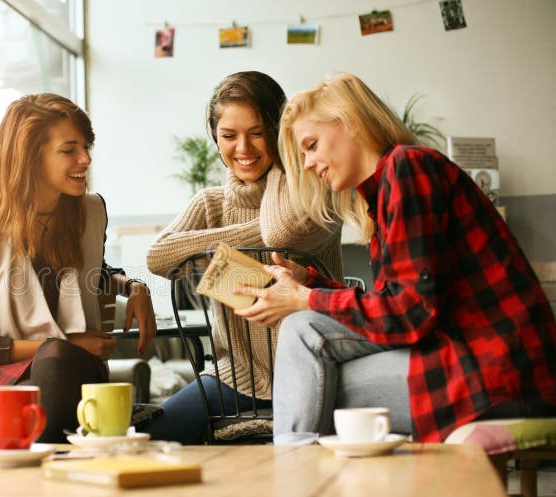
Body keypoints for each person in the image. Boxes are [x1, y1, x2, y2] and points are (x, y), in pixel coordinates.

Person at [235, 72, 556, 442]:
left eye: (311, 145)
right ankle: (306, 479)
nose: (307, 163)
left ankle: (296, 482)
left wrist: (304, 300)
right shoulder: (390, 185)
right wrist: (311, 284)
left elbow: (410, 315)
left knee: (307, 363)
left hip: (500, 371)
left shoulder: (408, 168)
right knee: (306, 361)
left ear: (350, 123)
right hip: (483, 360)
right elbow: (397, 305)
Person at [0, 93, 156, 443]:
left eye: (86, 147)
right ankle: (51, 456)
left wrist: (134, 287)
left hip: (71, 365)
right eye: (69, 150)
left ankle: (40, 451)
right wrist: (66, 342)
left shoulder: (88, 211)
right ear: (29, 156)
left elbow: (92, 273)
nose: (85, 159)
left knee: (57, 367)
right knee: (54, 363)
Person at [143, 71, 343, 444]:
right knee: (153, 438)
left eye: (257, 133)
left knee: (297, 461)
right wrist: (230, 248)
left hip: (314, 369)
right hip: (236, 375)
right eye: (229, 136)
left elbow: (283, 233)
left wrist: (212, 254)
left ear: (279, 132)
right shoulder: (210, 203)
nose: (243, 149)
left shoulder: (316, 191)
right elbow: (159, 257)